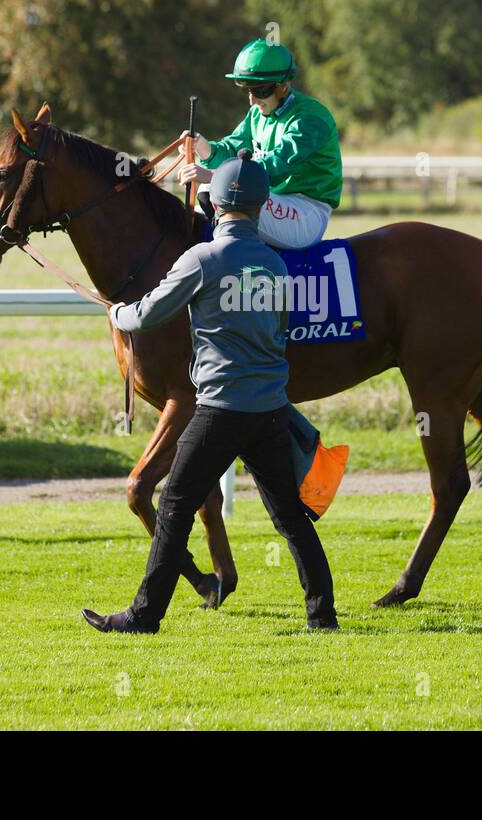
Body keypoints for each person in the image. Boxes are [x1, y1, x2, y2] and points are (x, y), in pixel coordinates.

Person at [81, 150, 339, 634]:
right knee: (290, 519)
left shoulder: (201, 258)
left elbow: (146, 314)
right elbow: (279, 329)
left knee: (175, 506)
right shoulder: (276, 265)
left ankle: (143, 617)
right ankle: (321, 616)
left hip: (220, 409)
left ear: (212, 205)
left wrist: (114, 312)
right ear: (263, 208)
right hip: (270, 411)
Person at [178, 39, 343, 250]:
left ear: (283, 86)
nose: (252, 101)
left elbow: (275, 166)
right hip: (268, 198)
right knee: (207, 196)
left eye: (259, 91)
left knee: (216, 189)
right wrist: (203, 147)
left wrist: (215, 176)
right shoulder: (257, 114)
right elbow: (232, 148)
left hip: (306, 211)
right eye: (247, 91)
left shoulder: (310, 118)